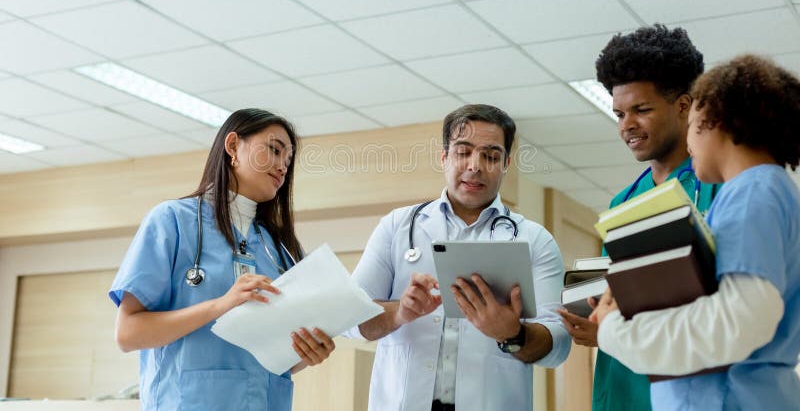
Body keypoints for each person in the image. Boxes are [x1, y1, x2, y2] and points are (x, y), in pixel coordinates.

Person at [592, 54, 800, 410]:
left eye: (692, 124)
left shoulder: (752, 193)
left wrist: (615, 330)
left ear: (714, 120)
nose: (688, 141)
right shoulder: (767, 190)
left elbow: (740, 322)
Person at [109, 108, 335, 411]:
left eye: (288, 160)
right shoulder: (172, 221)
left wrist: (305, 353)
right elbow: (128, 333)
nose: (283, 167)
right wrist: (220, 305)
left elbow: (268, 362)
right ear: (232, 146)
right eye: (274, 150)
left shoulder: (280, 248)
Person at [350, 104, 570, 411]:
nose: (475, 166)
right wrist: (401, 312)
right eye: (462, 152)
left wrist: (512, 333)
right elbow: (350, 317)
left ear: (506, 163)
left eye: (491, 156)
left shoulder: (535, 240)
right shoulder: (398, 226)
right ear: (444, 157)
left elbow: (559, 344)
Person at [558, 24, 721, 411]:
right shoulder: (621, 204)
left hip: (690, 386)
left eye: (641, 110)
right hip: (623, 389)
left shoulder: (720, 186)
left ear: (684, 105)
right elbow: (614, 293)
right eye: (619, 114)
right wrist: (594, 318)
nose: (626, 125)